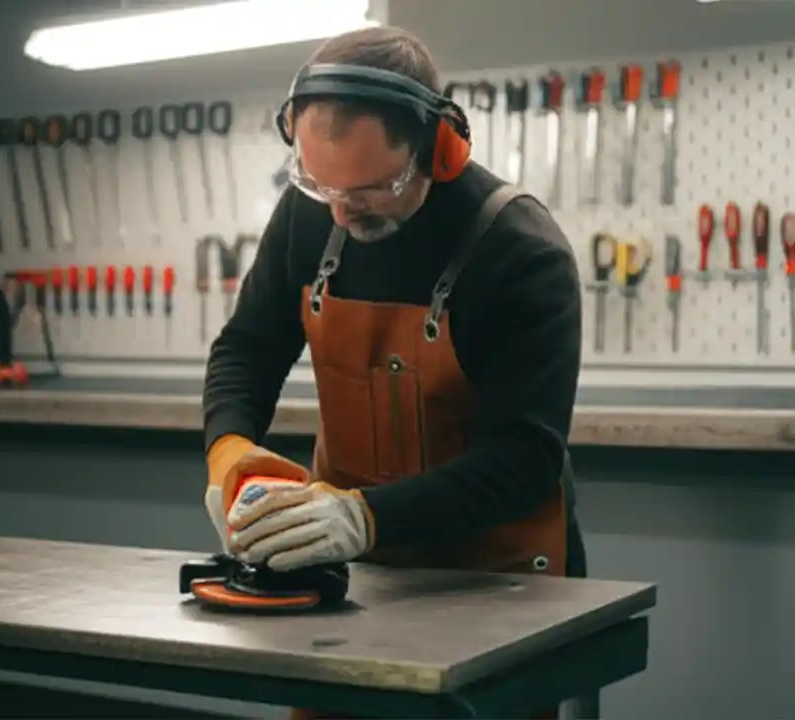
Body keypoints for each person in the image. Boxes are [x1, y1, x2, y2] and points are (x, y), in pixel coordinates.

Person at [201, 27, 586, 715]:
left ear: (440, 150)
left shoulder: (521, 253)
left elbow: (525, 458)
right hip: (354, 578)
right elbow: (247, 349)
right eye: (320, 185)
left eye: (373, 189)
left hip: (495, 586)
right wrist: (230, 451)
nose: (343, 214)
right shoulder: (309, 215)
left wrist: (360, 518)